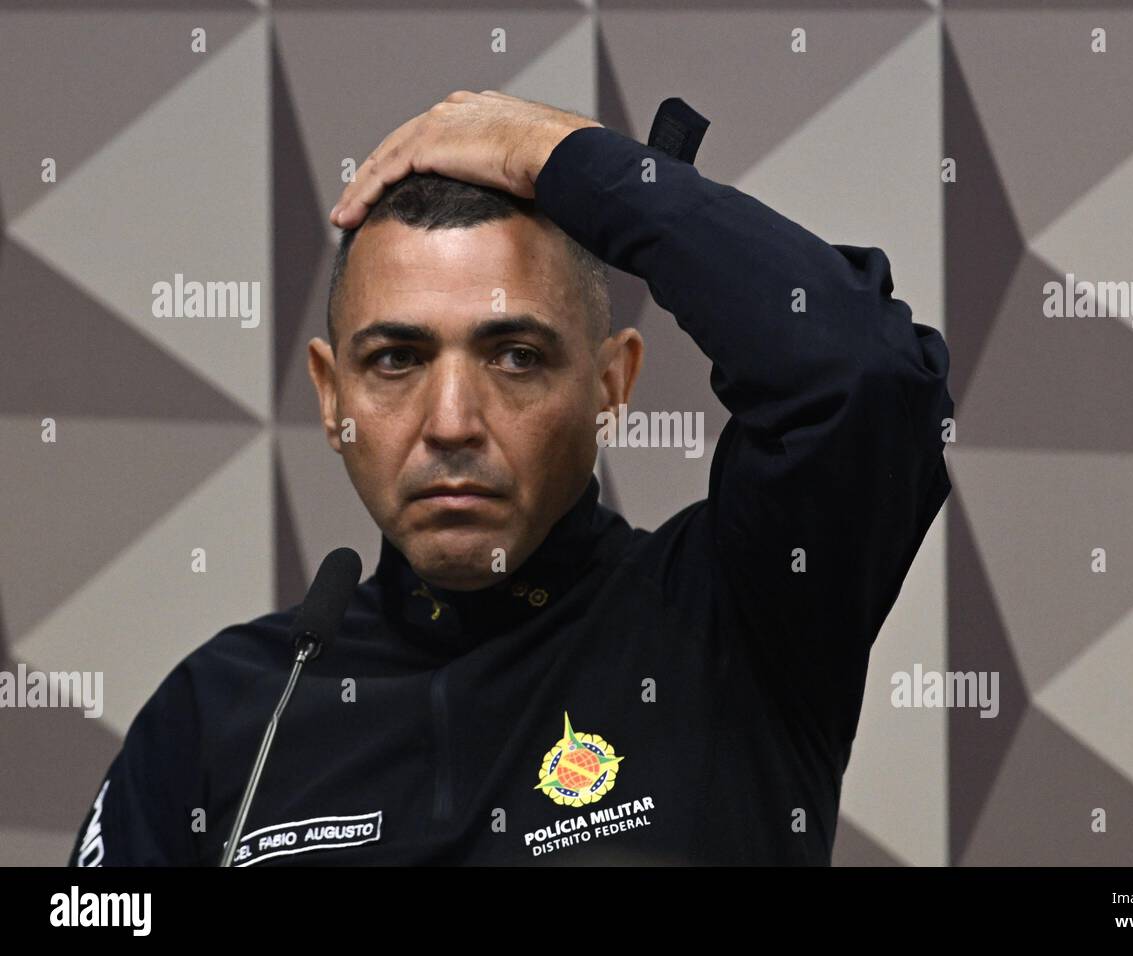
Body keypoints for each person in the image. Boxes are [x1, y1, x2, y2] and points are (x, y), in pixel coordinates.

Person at [69, 90, 953, 866]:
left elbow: (859, 374)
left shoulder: (738, 616)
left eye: (516, 356)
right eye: (397, 360)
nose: (452, 422)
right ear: (331, 394)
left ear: (612, 384)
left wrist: (565, 158)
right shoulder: (226, 712)